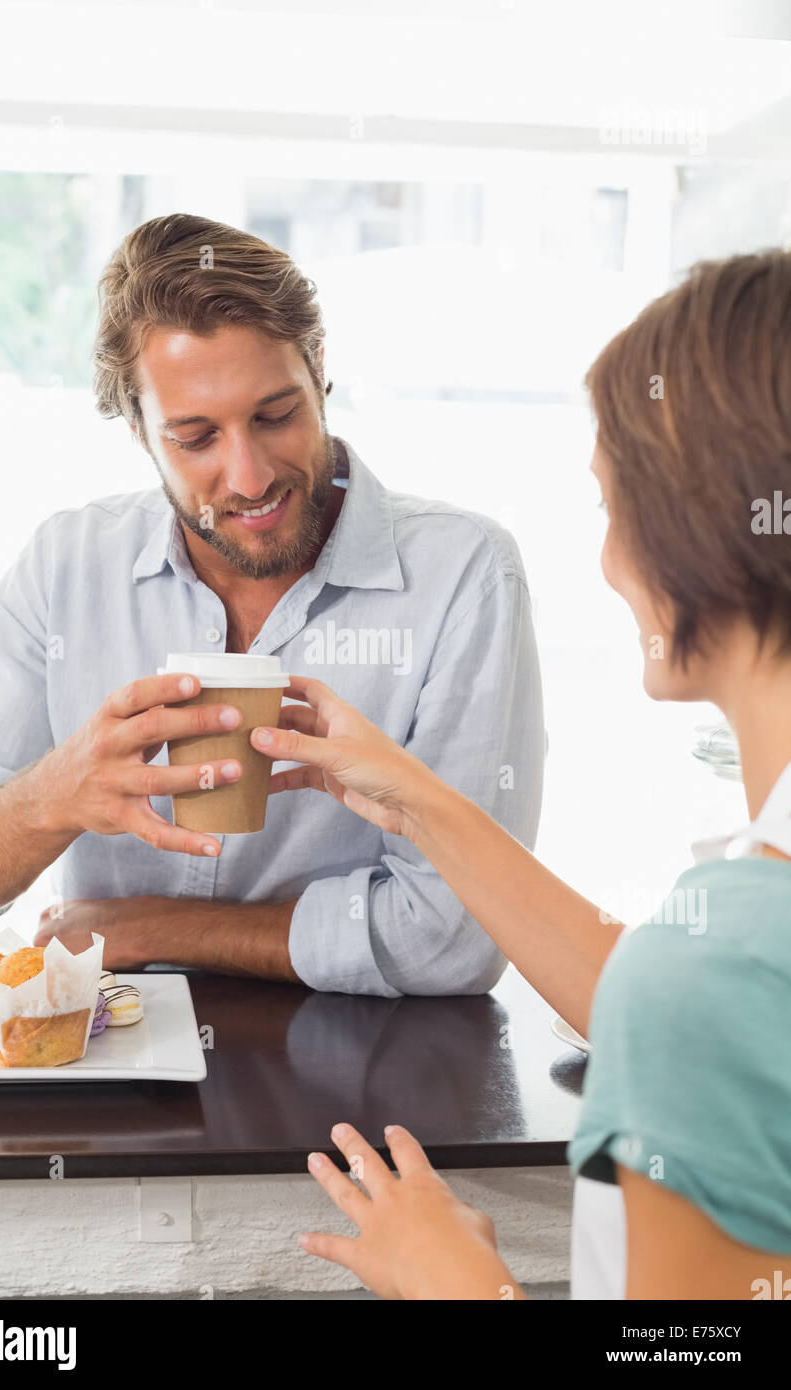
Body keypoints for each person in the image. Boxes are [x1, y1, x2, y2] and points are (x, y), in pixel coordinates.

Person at [247, 249, 791, 1298]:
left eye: (609, 504)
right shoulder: (728, 956)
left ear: (702, 525)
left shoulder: (718, 969)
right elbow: (695, 1003)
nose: (606, 559)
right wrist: (417, 801)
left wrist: (461, 1284)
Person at [0, 214, 544, 995]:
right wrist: (50, 798)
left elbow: (455, 938)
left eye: (275, 416)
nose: (249, 478)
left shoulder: (464, 575)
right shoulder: (68, 567)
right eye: (195, 437)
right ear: (139, 431)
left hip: (372, 1086)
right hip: (121, 1069)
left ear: (320, 371)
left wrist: (152, 930)